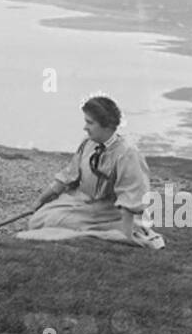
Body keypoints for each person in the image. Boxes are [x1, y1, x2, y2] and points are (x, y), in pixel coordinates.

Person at [17, 95, 165, 248]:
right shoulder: (87, 143)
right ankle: (82, 223)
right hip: (82, 202)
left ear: (106, 126)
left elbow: (132, 195)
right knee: (37, 220)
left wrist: (125, 233)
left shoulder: (127, 153)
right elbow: (67, 176)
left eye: (90, 123)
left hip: (109, 209)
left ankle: (112, 227)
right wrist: (40, 201)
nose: (85, 127)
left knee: (53, 221)